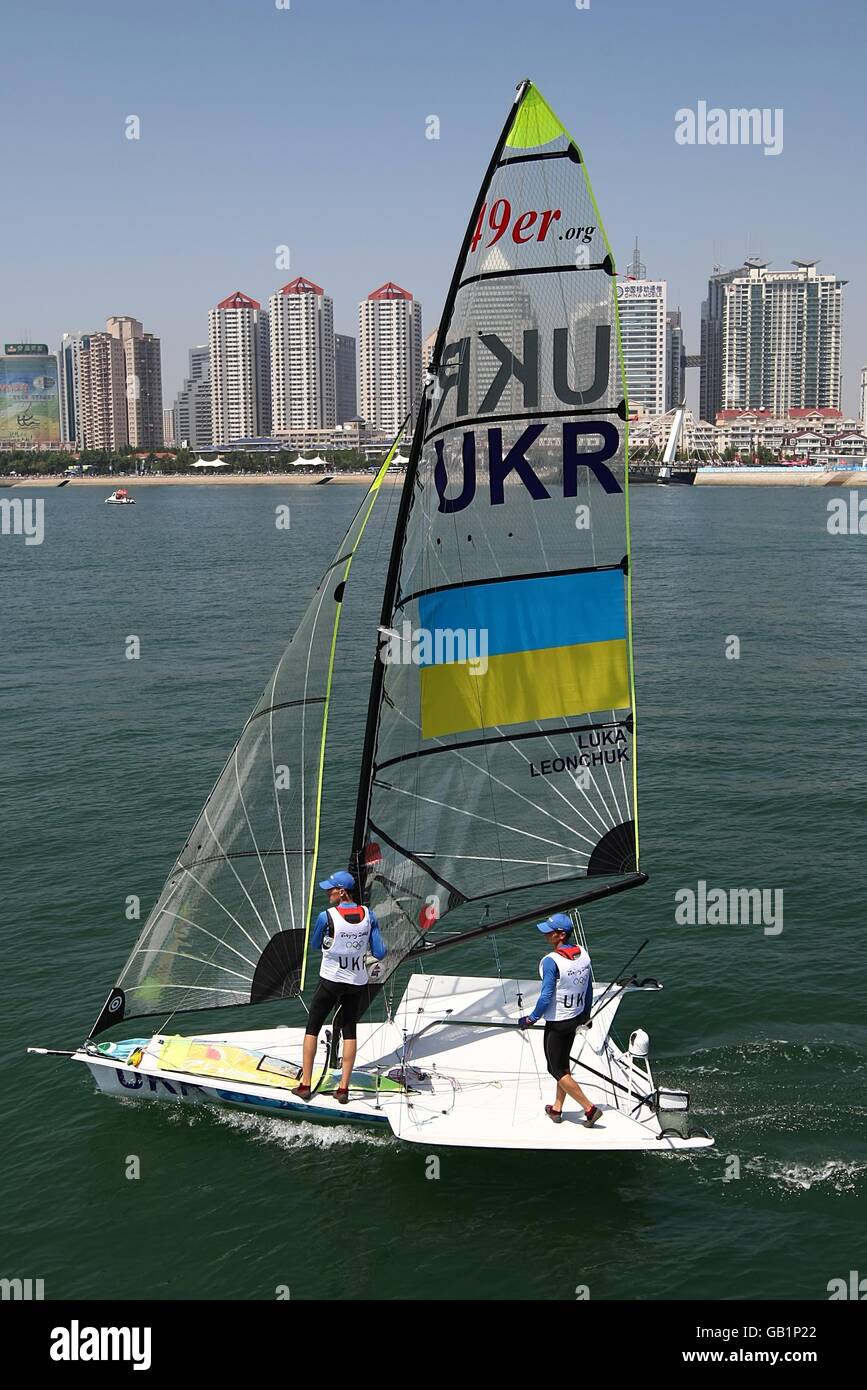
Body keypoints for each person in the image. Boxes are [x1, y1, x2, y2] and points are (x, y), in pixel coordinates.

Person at [293, 870, 387, 1104]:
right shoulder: (369, 915)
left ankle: (305, 1085)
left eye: (330, 889)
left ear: (342, 892)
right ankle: (343, 1090)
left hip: (331, 981)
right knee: (349, 1030)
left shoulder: (327, 917)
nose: (327, 893)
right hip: (356, 983)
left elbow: (316, 944)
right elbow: (380, 952)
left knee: (312, 1027)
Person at [518, 913, 601, 1126]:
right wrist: (587, 1014)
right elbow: (588, 987)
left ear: (561, 935)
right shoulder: (582, 953)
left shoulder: (551, 962)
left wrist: (531, 1018)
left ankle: (590, 1109)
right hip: (577, 1017)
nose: (546, 935)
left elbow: (546, 996)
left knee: (554, 1069)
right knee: (562, 1065)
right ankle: (557, 1108)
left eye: (550, 931)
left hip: (558, 1023)